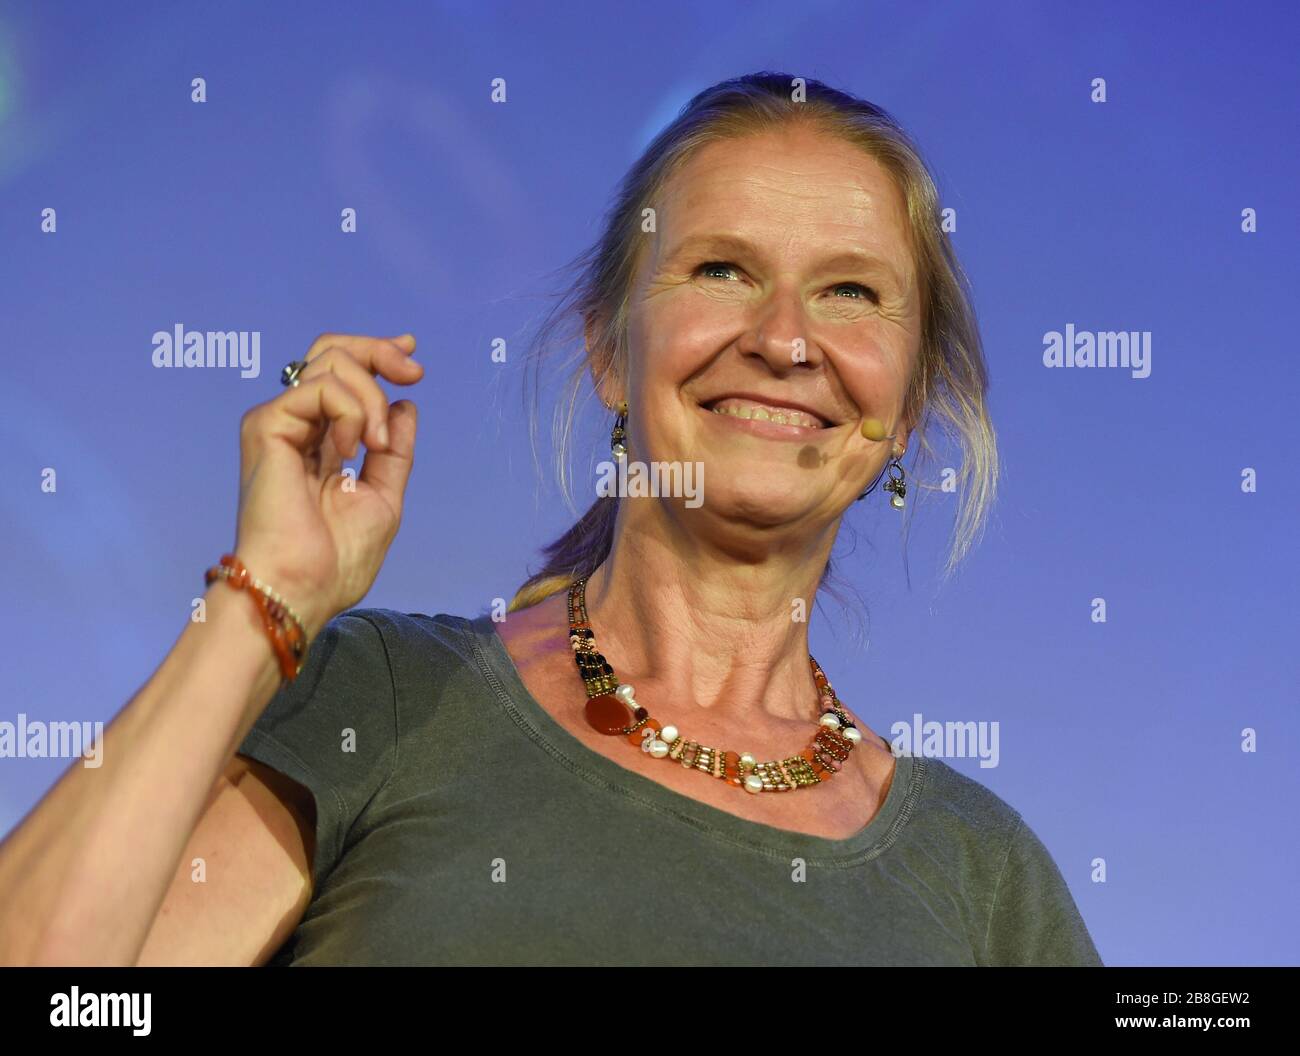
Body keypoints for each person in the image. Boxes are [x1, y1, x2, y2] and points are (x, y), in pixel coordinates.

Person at [0, 72, 1102, 966]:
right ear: (605, 353)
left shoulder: (979, 879)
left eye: (850, 293)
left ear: (907, 407)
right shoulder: (386, 704)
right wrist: (262, 602)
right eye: (719, 270)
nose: (782, 338)